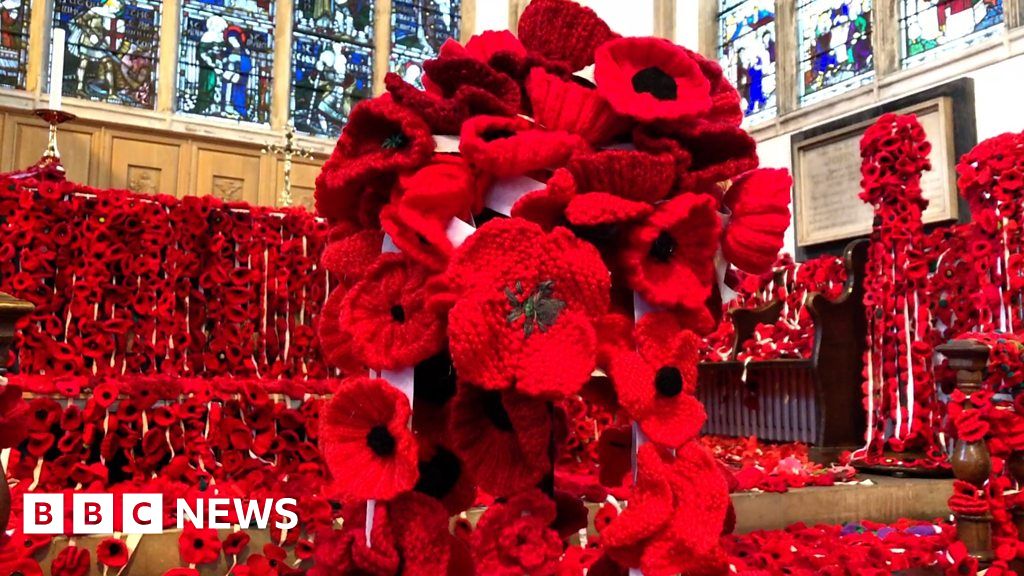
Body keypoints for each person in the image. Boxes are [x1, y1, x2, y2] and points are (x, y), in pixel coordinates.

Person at [195, 15, 228, 115]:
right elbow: (201, 51)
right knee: (207, 86)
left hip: (218, 66)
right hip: (208, 68)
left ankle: (215, 107)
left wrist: (221, 55)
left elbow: (223, 51)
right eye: (220, 27)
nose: (221, 30)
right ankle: (204, 107)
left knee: (218, 86)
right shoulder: (207, 36)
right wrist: (209, 59)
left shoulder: (220, 37)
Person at [223, 25, 252, 120]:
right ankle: (225, 107)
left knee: (238, 96)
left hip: (240, 80)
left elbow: (247, 66)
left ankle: (239, 111)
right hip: (228, 79)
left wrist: (238, 59)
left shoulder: (244, 52)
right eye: (230, 40)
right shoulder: (227, 51)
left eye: (234, 40)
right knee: (227, 90)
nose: (233, 42)